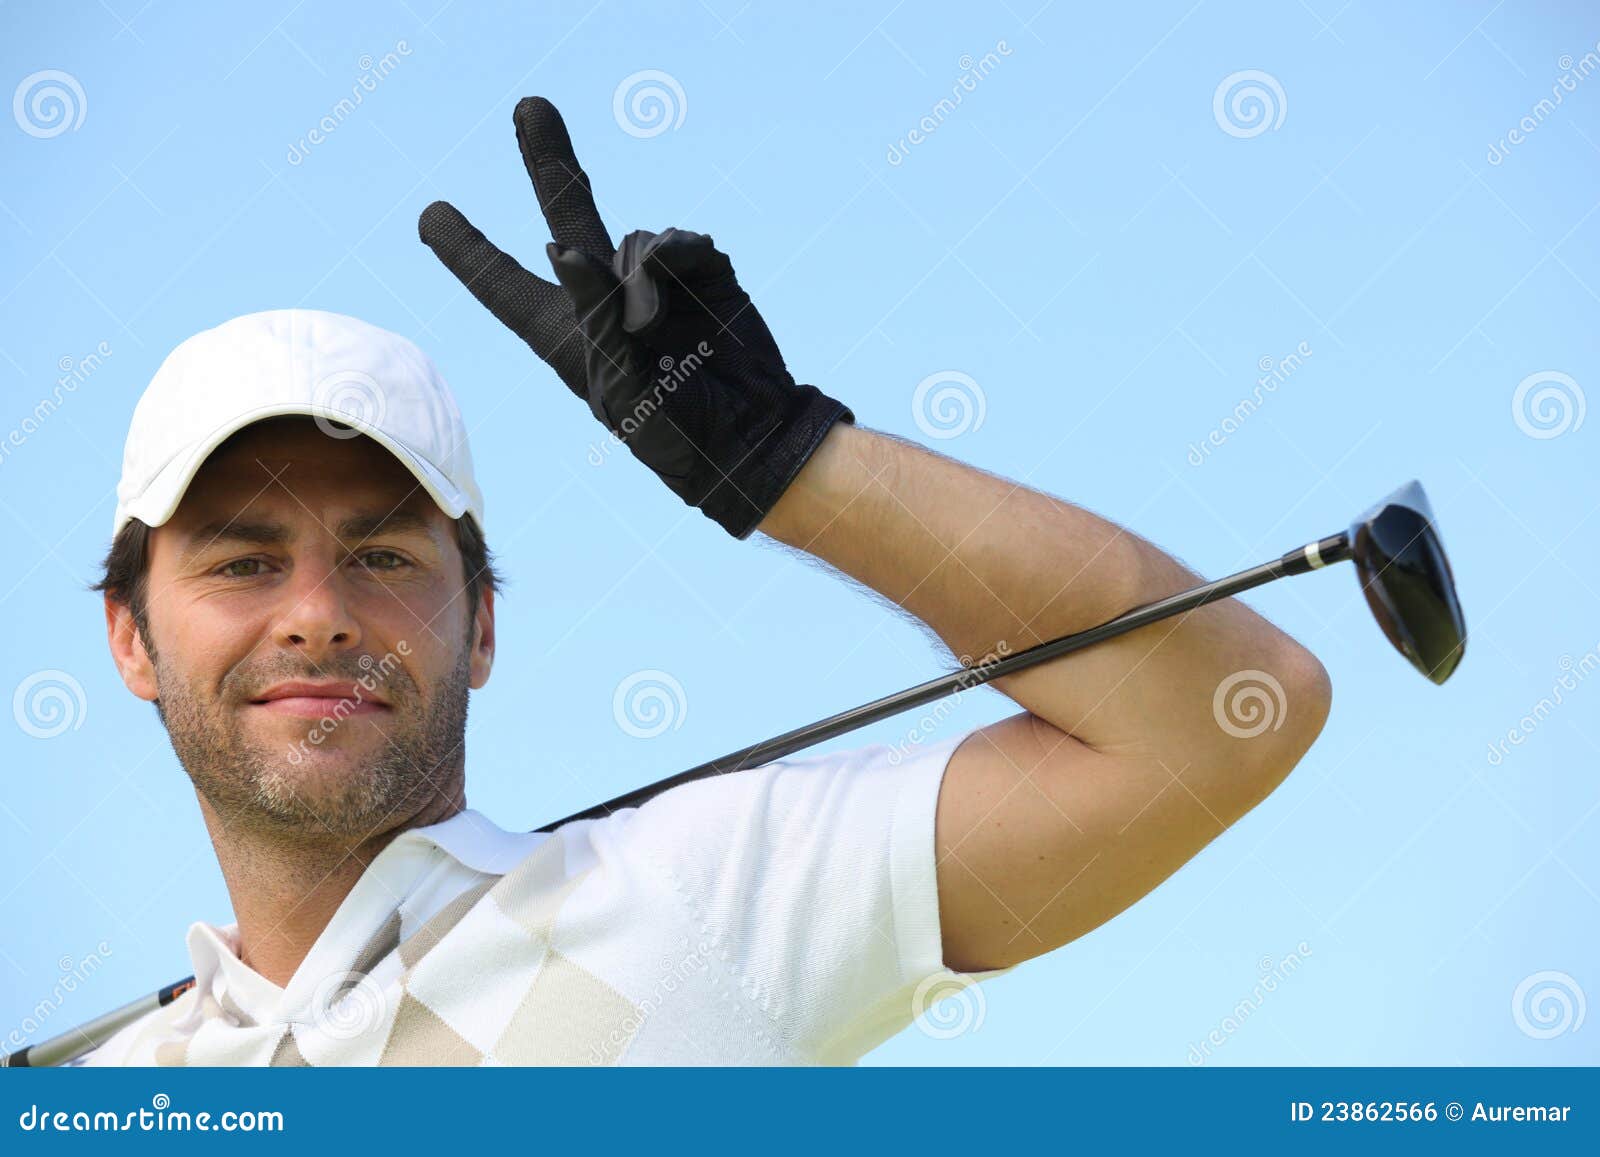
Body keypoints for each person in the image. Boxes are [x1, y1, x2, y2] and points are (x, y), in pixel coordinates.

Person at [81, 98, 1329, 1065]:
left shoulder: (695, 897)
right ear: (130, 637)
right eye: (244, 561)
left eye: (384, 556)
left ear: (483, 628)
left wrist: (787, 462)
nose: (317, 613)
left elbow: (1230, 712)